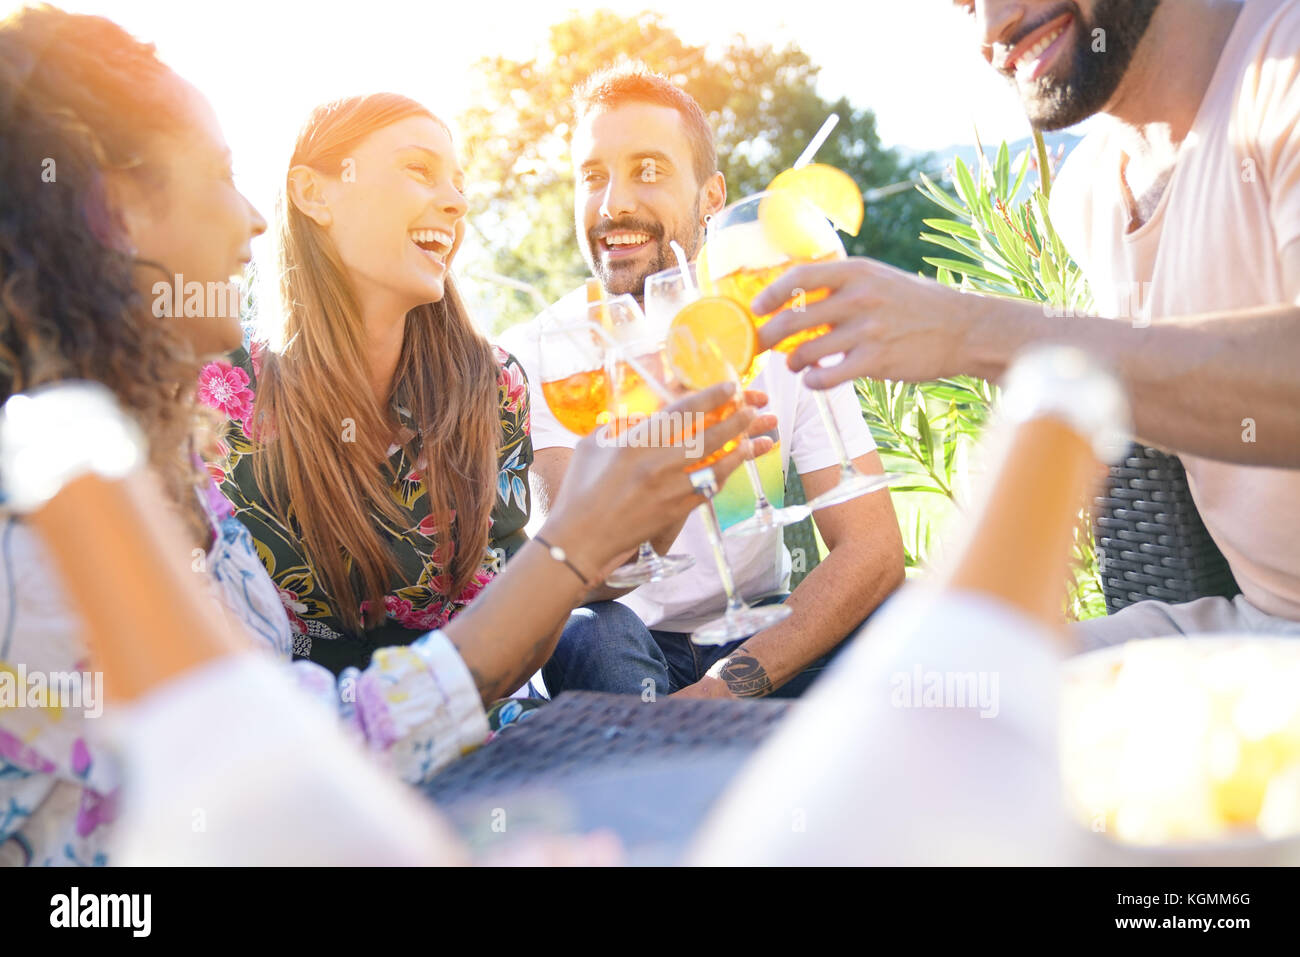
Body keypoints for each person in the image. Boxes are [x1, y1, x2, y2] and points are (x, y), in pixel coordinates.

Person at [0, 5, 766, 866]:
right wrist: (576, 543)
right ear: (112, 212)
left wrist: (602, 543)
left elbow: (293, 725)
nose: (249, 218)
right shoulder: (76, 484)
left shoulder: (158, 447)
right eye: (219, 175)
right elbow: (286, 764)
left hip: (441, 757)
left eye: (458, 178)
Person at [749, 0, 1300, 647]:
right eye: (966, 5)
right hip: (1261, 624)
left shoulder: (1282, 62)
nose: (990, 30)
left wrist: (973, 330)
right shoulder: (1091, 191)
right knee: (937, 680)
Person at [499, 63, 906, 700]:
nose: (613, 204)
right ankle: (675, 763)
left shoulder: (772, 318)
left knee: (903, 620)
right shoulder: (551, 352)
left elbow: (874, 549)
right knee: (592, 635)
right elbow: (586, 579)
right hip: (628, 648)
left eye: (648, 171)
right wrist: (662, 472)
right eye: (593, 177)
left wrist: (724, 689)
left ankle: (693, 752)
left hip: (767, 636)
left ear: (712, 196)